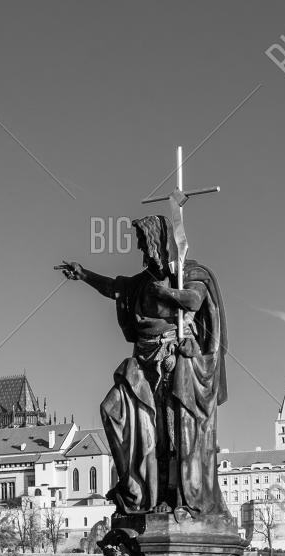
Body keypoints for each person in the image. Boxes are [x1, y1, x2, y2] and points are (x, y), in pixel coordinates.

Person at [57, 213, 228, 517]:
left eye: (143, 243)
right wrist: (84, 275)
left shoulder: (189, 273)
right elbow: (114, 288)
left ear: (158, 243)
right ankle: (135, 488)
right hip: (143, 359)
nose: (141, 250)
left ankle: (171, 496)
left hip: (174, 359)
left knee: (171, 431)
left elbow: (194, 300)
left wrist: (166, 292)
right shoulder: (142, 282)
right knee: (112, 408)